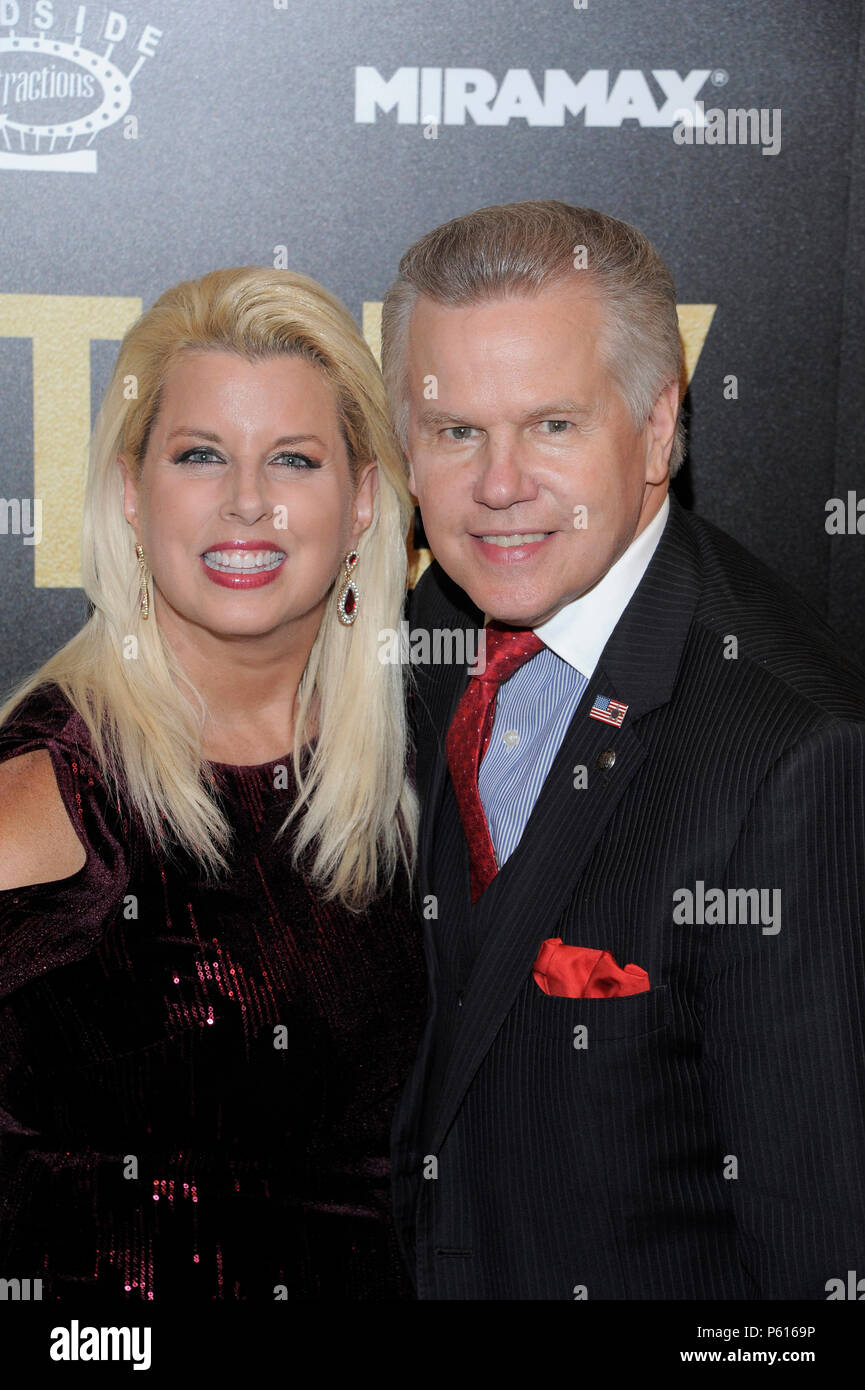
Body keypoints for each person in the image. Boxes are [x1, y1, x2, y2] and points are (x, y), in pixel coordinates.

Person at [381, 200, 865, 1300]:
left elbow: (822, 1261)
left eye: (552, 424)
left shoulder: (797, 759)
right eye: (456, 430)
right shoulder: (423, 636)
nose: (497, 485)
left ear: (655, 428)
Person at [0, 266, 425, 1301]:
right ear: (129, 496)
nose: (247, 501)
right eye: (199, 455)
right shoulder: (53, 787)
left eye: (293, 457)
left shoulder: (421, 772)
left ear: (363, 500)